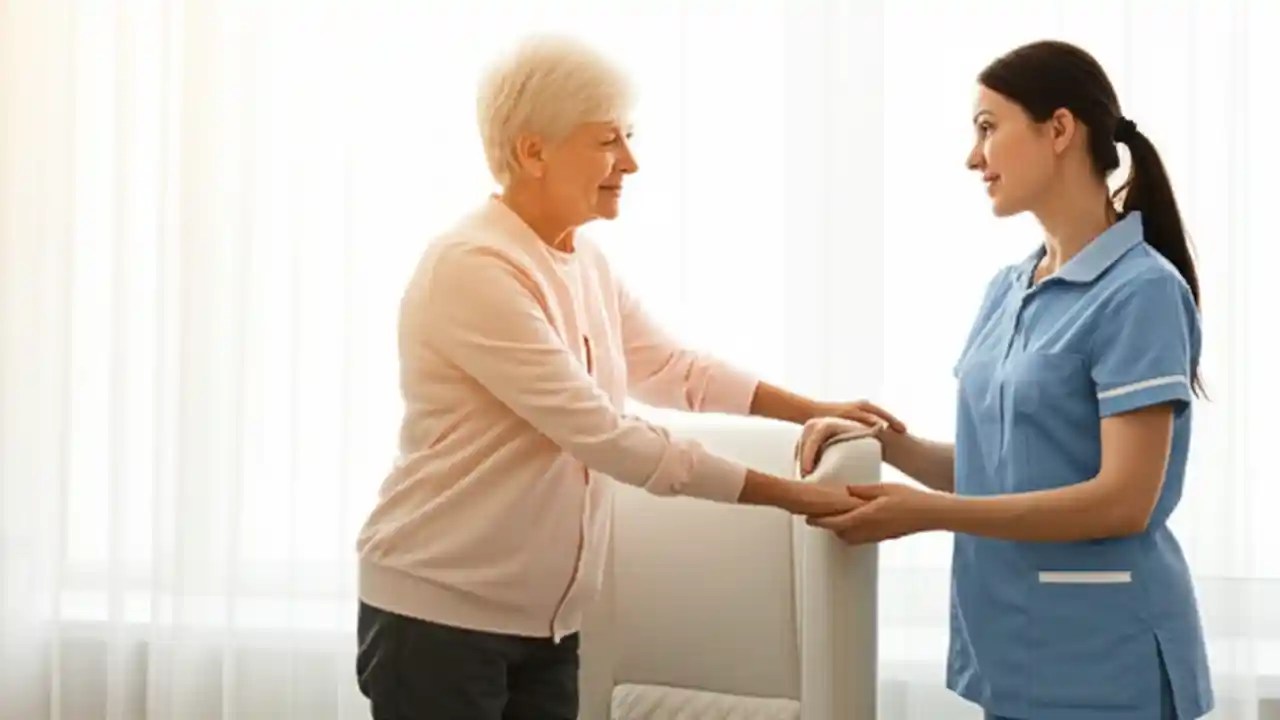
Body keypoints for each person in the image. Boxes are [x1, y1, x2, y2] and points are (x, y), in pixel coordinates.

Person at [352, 35, 901, 720]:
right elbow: (605, 436)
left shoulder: (581, 259)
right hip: (439, 616)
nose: (630, 163)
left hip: (546, 624)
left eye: (629, 137)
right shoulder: (475, 267)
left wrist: (815, 409)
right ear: (533, 151)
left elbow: (673, 370)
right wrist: (797, 497)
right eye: (608, 141)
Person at [798, 40, 1213, 720]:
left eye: (988, 127)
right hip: (1012, 653)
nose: (972, 156)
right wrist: (886, 444)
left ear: (1058, 129)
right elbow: (1004, 473)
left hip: (1105, 661)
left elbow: (1122, 501)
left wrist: (927, 513)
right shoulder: (1009, 289)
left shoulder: (1141, 292)